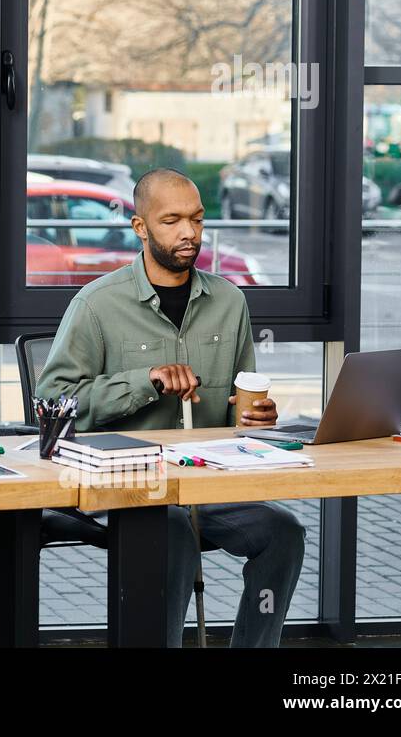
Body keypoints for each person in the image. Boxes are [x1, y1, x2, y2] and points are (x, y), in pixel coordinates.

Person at [36, 167, 305, 647]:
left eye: (197, 220)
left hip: (205, 483)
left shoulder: (229, 301)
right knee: (173, 528)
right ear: (140, 227)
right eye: (172, 220)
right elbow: (52, 406)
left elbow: (234, 406)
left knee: (283, 532)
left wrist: (253, 418)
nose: (189, 233)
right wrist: (144, 381)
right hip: (121, 484)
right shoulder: (97, 305)